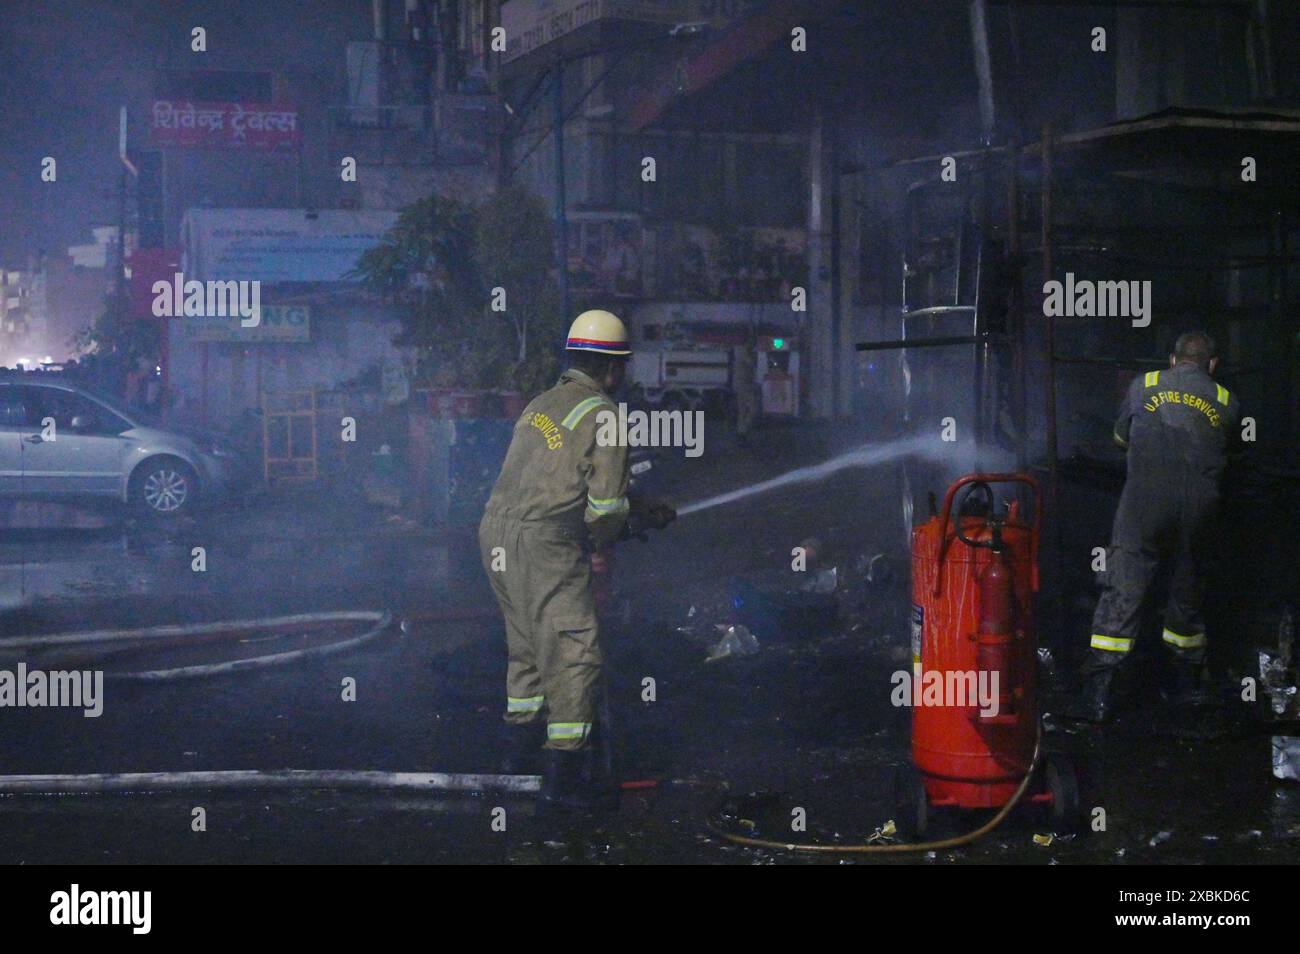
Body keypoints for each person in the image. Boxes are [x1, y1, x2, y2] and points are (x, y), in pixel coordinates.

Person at [478, 309, 675, 811]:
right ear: (613, 369)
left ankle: (515, 759)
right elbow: (605, 509)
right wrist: (624, 527)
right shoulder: (605, 414)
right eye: (623, 368)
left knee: (527, 641)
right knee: (573, 650)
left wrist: (639, 508)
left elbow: (557, 475)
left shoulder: (543, 403)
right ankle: (563, 780)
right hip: (546, 542)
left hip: (496, 533)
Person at [1075, 331, 1240, 724]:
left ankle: (1099, 692)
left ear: (1171, 360)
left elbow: (1120, 438)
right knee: (1187, 590)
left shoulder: (1143, 386)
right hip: (1199, 511)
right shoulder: (1227, 401)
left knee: (1125, 588)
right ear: (1211, 365)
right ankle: (1185, 684)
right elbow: (1226, 447)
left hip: (1144, 506)